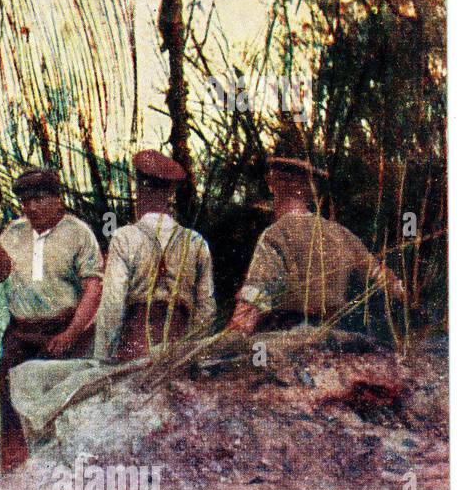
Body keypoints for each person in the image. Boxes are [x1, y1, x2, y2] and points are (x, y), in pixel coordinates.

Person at [0, 168, 103, 471]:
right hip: (20, 333)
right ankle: (12, 474)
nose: (31, 208)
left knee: (59, 409)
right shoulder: (14, 232)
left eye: (38, 199)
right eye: (25, 201)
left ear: (57, 199)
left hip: (62, 332)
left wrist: (72, 333)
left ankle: (59, 475)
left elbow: (93, 289)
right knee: (13, 409)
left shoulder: (78, 234)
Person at [227, 156, 405, 335]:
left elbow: (254, 297)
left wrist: (233, 336)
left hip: (289, 337)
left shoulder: (276, 233)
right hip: (335, 335)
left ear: (275, 185)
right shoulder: (341, 233)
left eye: (272, 179)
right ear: (310, 190)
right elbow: (384, 278)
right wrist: (406, 296)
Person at [93, 150, 215, 363]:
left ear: (139, 187)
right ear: (171, 191)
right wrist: (194, 355)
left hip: (135, 350)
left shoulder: (124, 237)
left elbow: (112, 304)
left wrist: (102, 358)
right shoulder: (196, 241)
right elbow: (206, 309)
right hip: (180, 354)